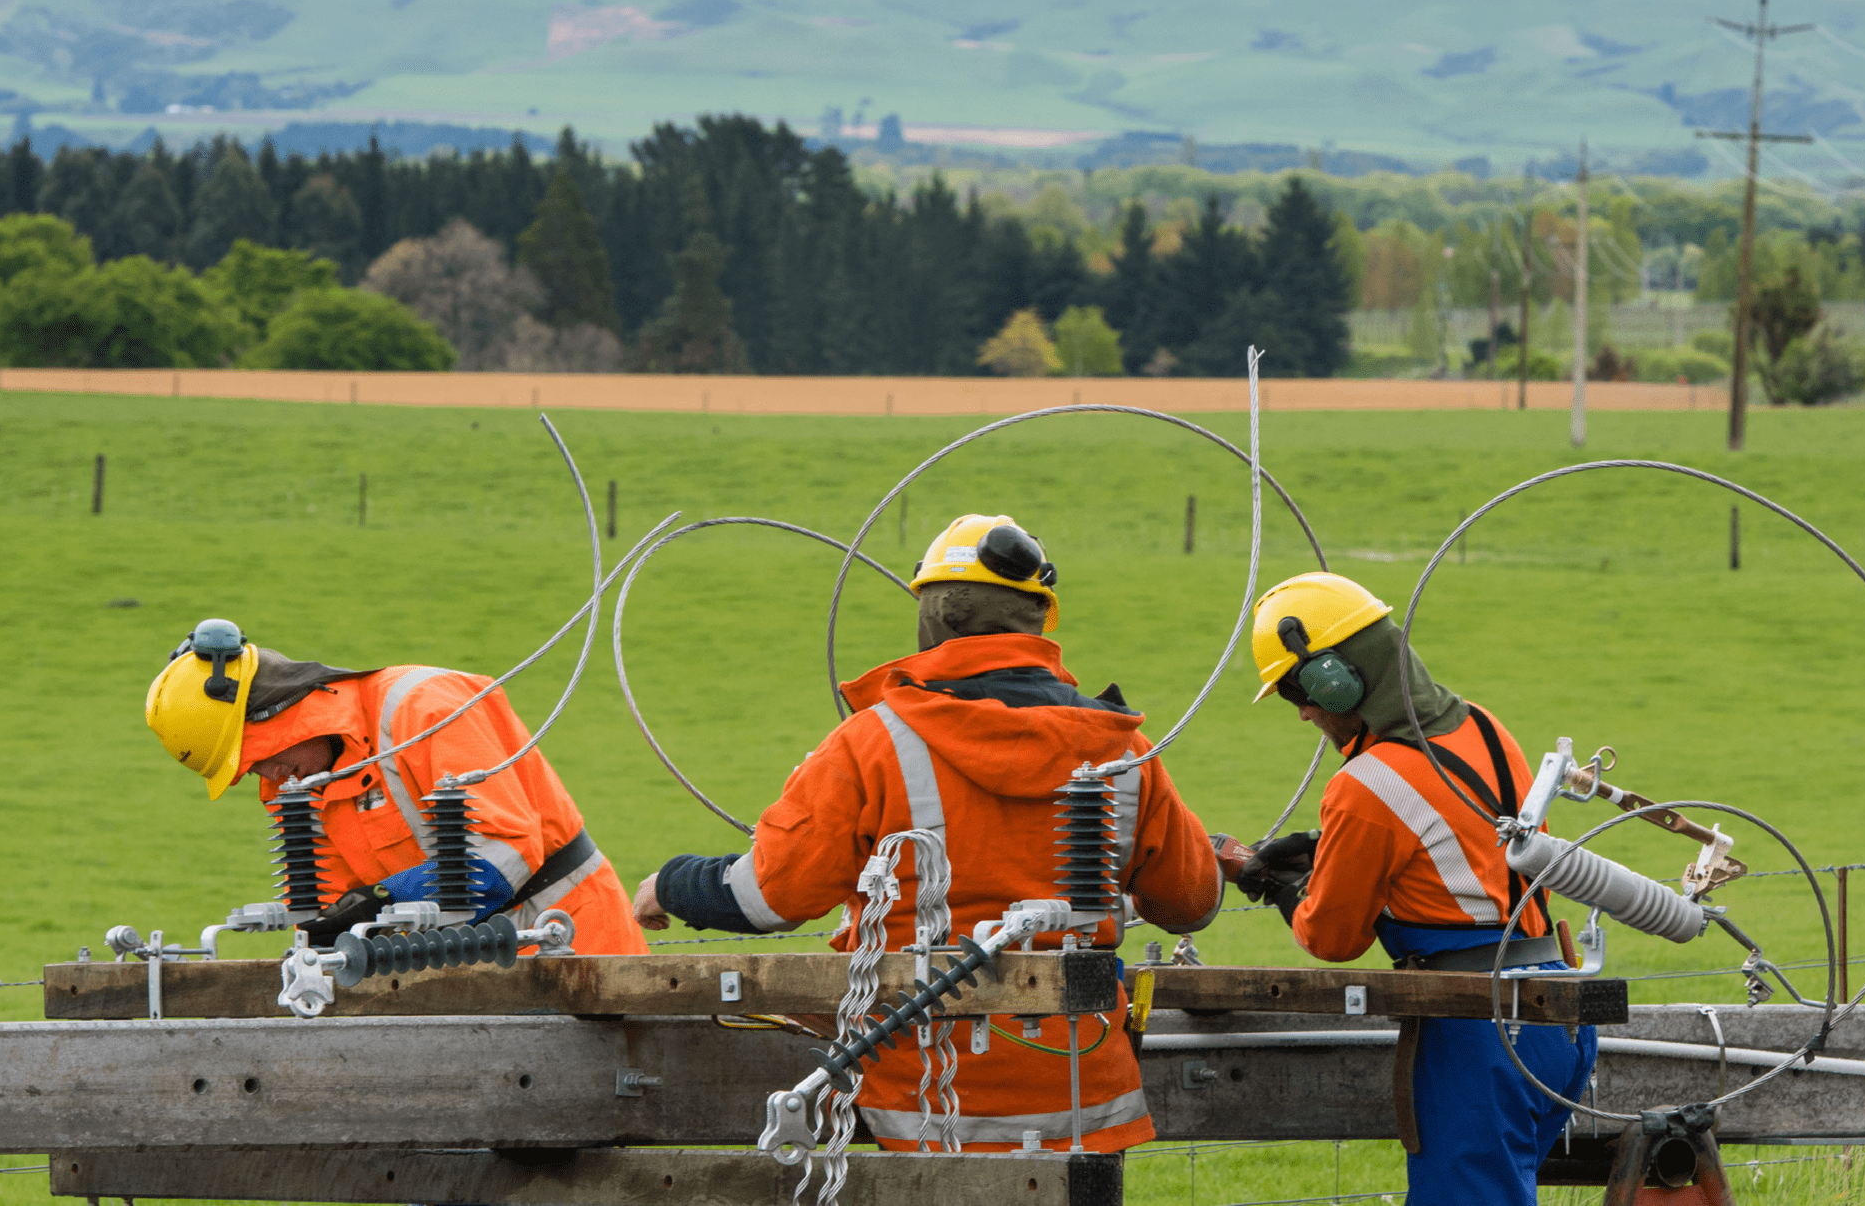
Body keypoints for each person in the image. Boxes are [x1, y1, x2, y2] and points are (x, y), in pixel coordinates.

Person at [632, 513, 1222, 1152]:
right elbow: (1192, 903)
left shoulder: (873, 743)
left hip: (923, 1100)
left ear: (935, 615)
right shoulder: (1124, 750)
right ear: (1039, 617)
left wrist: (671, 884)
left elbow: (770, 897)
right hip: (1085, 1103)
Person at [1235, 572, 1596, 1206]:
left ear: (1335, 677)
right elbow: (1462, 846)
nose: (1304, 711)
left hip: (1478, 1028)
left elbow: (1333, 938)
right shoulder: (1484, 725)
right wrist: (1328, 851)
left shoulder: (1365, 784)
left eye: (1297, 690)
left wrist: (1287, 892)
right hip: (1556, 1013)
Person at [145, 617, 646, 955]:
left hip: (570, 937)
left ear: (275, 721)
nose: (267, 778)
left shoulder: (426, 708)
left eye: (257, 760)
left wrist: (381, 902)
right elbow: (330, 907)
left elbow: (506, 854)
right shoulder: (298, 780)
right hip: (456, 961)